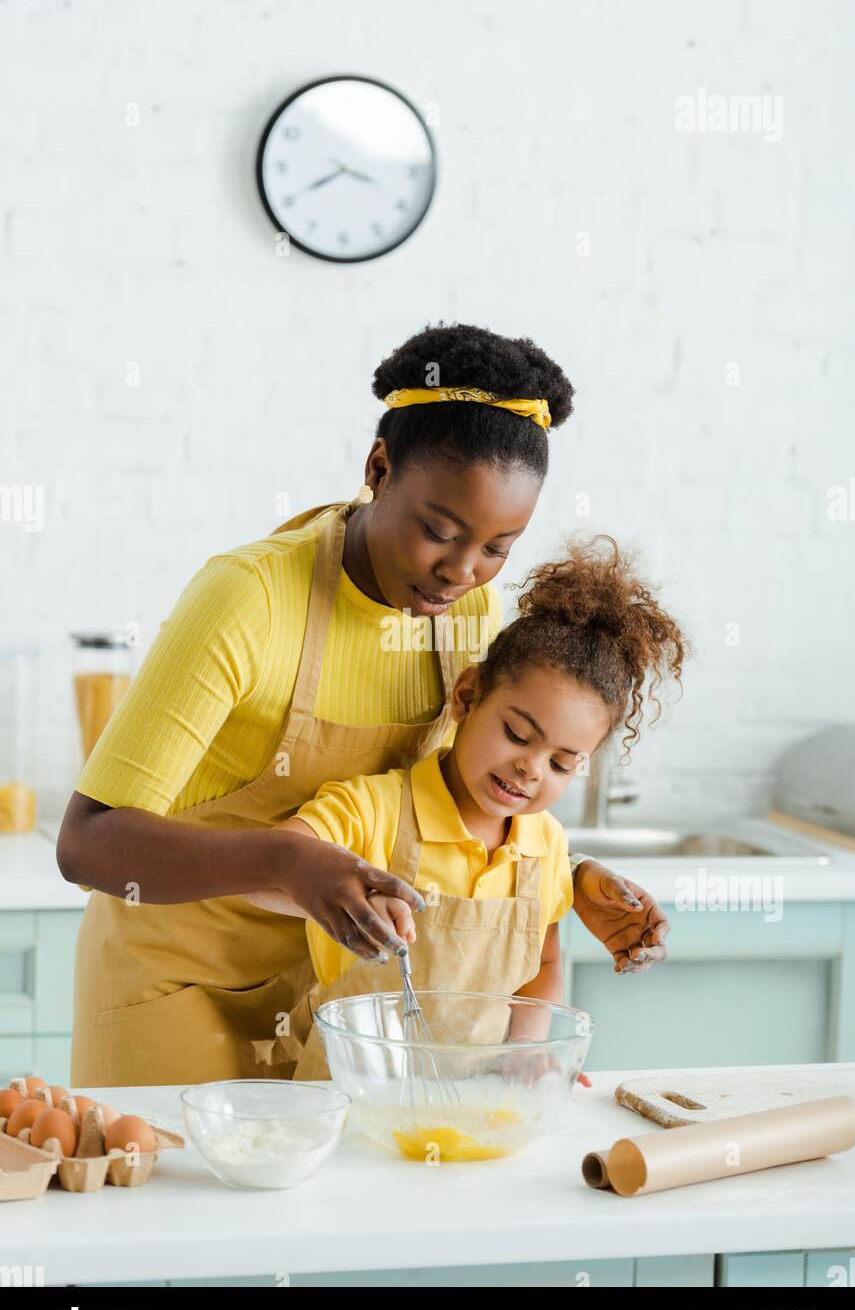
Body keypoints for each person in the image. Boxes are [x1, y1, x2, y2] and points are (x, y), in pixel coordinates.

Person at [58, 321, 670, 1087]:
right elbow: (87, 843)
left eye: (496, 548)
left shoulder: (467, 616)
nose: (460, 572)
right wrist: (287, 859)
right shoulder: (248, 600)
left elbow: (444, 797)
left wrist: (553, 878)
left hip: (346, 999)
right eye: (438, 531)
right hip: (176, 979)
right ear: (379, 468)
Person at [247, 536, 685, 1080]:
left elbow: (542, 963)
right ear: (468, 695)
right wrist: (331, 888)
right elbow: (260, 871)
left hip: (473, 1114)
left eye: (562, 763)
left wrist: (524, 1053)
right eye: (518, 734)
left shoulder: (544, 847)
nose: (531, 768)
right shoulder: (373, 811)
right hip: (351, 1106)